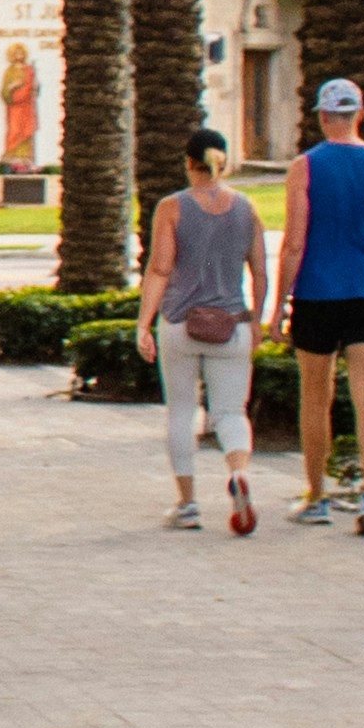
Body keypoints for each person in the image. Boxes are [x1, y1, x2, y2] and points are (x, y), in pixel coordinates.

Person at [276, 73, 364, 536]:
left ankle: (316, 495)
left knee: (316, 394)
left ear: (321, 116)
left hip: (316, 293)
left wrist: (279, 303)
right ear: (359, 114)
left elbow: (293, 243)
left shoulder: (305, 168)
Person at [137, 123, 263, 538]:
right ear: (223, 163)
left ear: (189, 164)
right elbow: (259, 270)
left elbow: (159, 268)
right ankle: (239, 474)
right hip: (231, 326)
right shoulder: (247, 208)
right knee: (230, 413)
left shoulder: (172, 208)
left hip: (180, 323)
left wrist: (144, 323)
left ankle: (188, 504)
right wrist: (257, 320)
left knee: (182, 412)